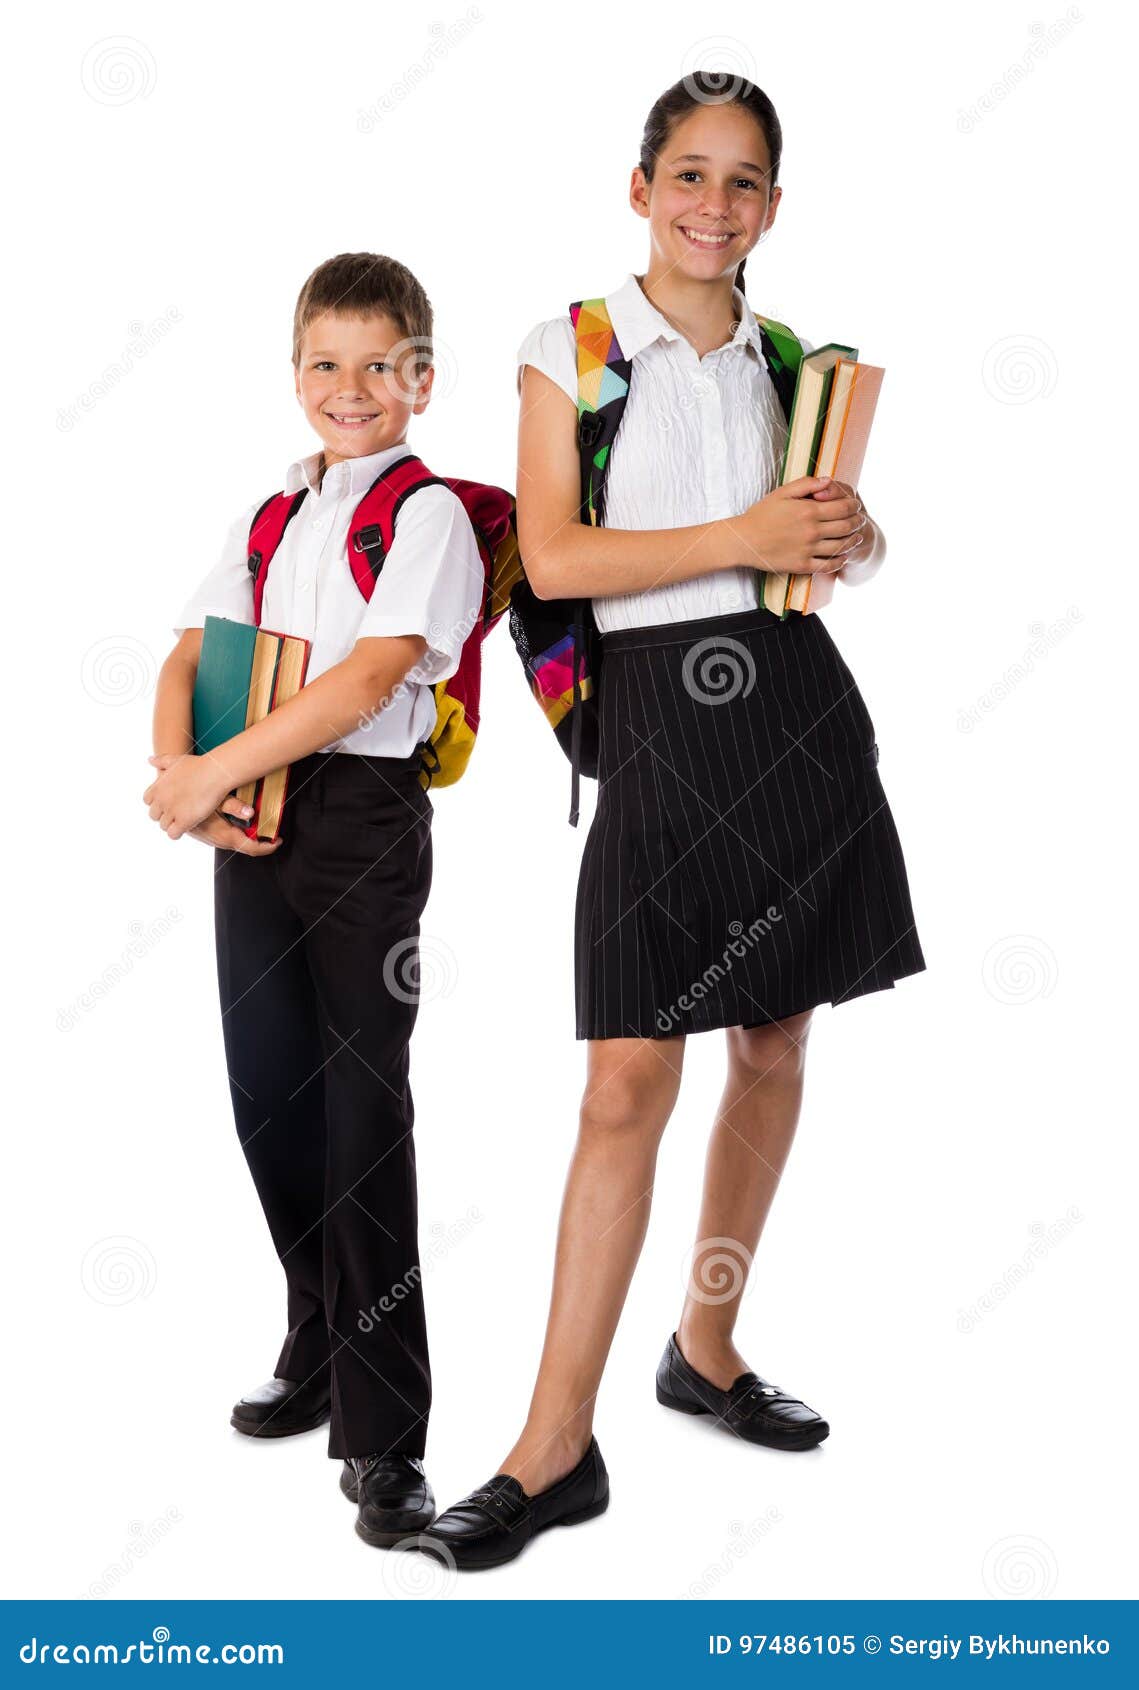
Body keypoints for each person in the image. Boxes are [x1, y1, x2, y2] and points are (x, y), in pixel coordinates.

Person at [421, 74, 926, 1571]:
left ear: (775, 206)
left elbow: (820, 547)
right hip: (655, 727)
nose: (717, 204)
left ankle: (704, 1348)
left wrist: (850, 533)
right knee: (626, 1079)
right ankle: (550, 1444)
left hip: (799, 714)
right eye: (691, 174)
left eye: (747, 181)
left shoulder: (787, 360)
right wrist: (743, 536)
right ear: (638, 186)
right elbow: (557, 560)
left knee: (774, 1039)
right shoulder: (569, 349)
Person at [143, 252, 483, 1548]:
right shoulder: (269, 515)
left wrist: (214, 769)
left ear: (420, 380)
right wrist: (181, 770)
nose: (349, 389)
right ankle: (316, 1336)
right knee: (268, 1095)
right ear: (296, 378)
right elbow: (188, 652)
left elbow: (365, 684)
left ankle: (386, 1436)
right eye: (325, 365)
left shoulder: (428, 514)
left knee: (362, 1110)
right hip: (253, 819)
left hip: (358, 824)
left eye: (378, 366)